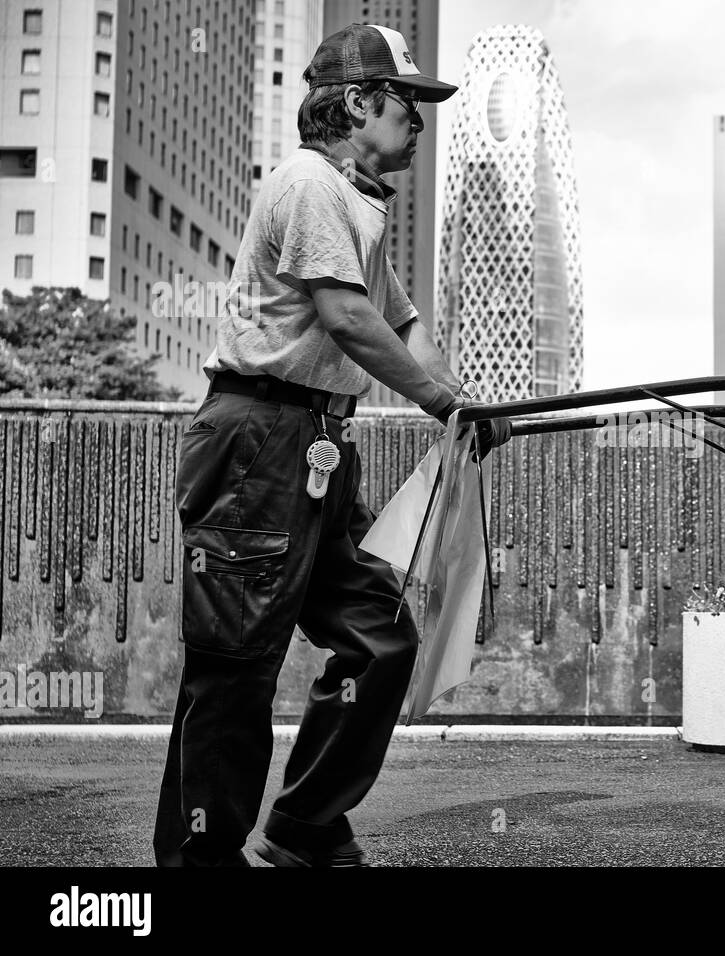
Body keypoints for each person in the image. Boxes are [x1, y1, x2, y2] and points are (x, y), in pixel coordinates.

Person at [152, 23, 509, 867]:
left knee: (379, 636)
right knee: (237, 661)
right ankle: (200, 858)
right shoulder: (308, 185)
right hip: (257, 439)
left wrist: (465, 407)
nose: (418, 125)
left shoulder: (357, 205)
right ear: (357, 102)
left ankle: (305, 822)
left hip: (318, 445)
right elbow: (346, 320)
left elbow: (401, 324)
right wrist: (443, 400)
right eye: (407, 106)